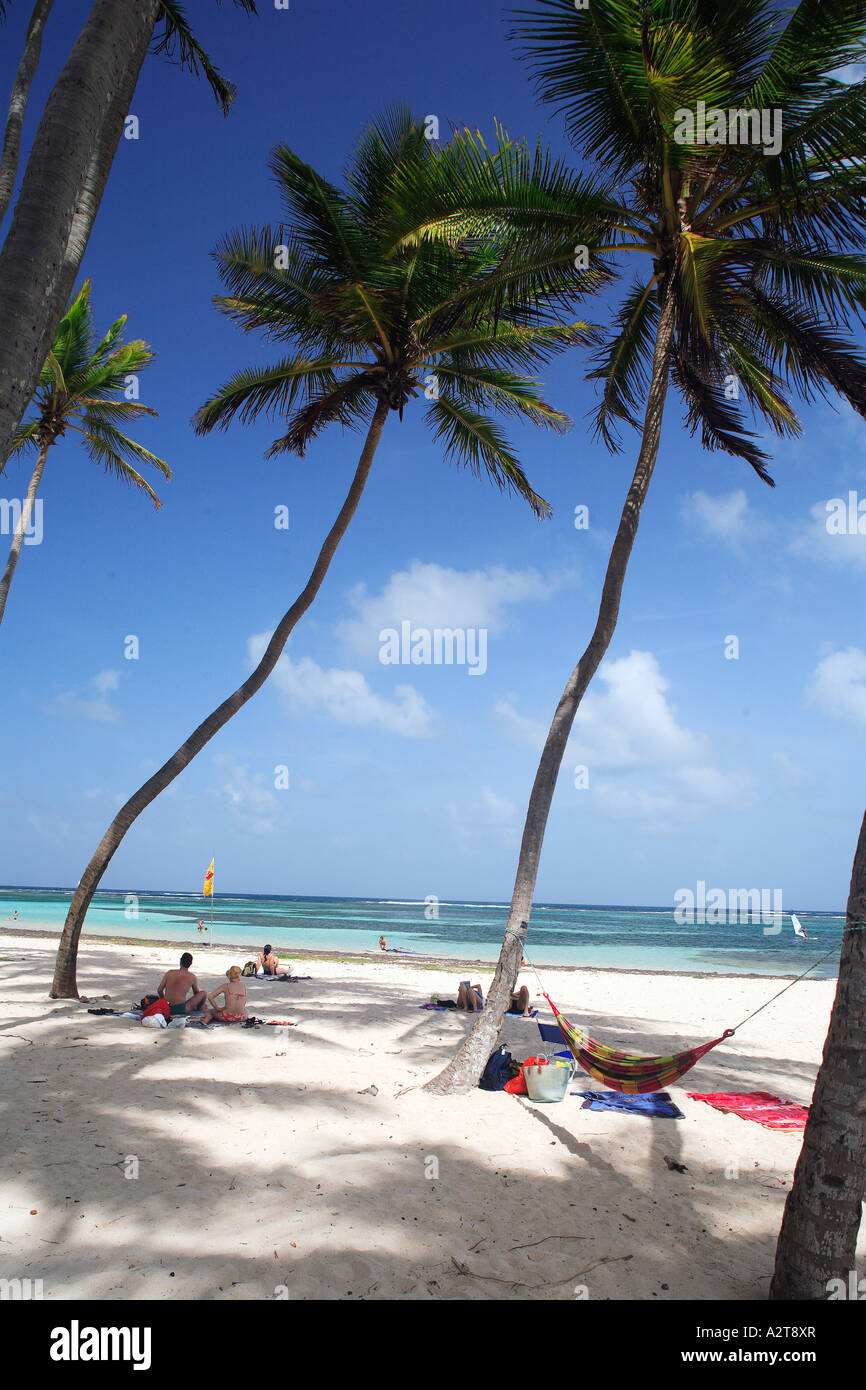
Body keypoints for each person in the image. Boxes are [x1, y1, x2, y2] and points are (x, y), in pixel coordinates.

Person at [156, 952, 207, 1017]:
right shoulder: (192, 977)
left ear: (180, 961)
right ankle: (200, 1008)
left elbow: (159, 990)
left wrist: (164, 1002)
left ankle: (200, 1007)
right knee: (203, 993)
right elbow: (196, 994)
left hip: (167, 1007)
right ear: (191, 963)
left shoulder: (169, 973)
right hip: (181, 1009)